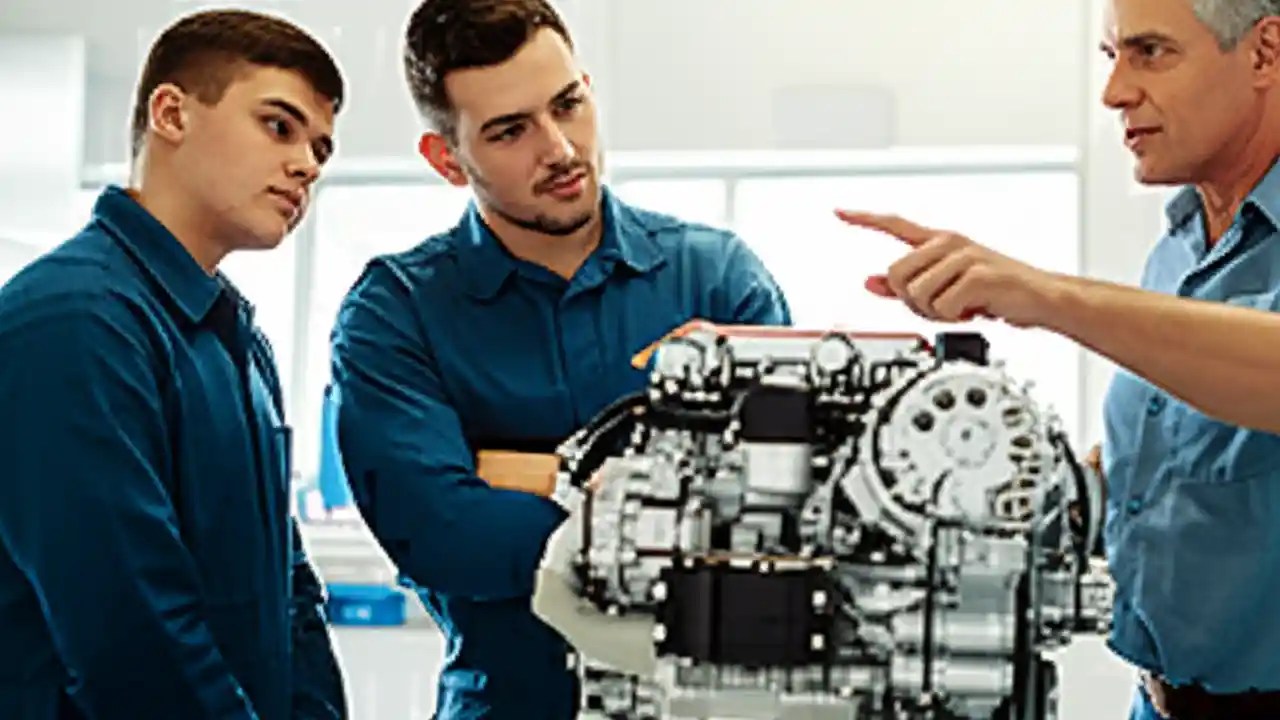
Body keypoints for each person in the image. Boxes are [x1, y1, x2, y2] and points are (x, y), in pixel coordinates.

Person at [327, 0, 791, 716]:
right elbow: (446, 538)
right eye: (511, 130)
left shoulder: (719, 280)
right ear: (447, 158)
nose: (560, 149)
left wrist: (520, 477)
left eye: (567, 104)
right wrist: (672, 502)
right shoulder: (396, 313)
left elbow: (783, 523)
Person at [839, 0, 1280, 718]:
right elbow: (1190, 473)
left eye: (1151, 53)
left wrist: (1043, 296)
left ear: (1264, 53)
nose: (1114, 92)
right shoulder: (1179, 247)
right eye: (1112, 57)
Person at [0, 9, 348, 719]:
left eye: (321, 147)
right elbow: (130, 635)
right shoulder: (73, 320)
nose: (308, 164)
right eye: (279, 126)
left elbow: (290, 589)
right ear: (171, 113)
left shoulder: (236, 339)